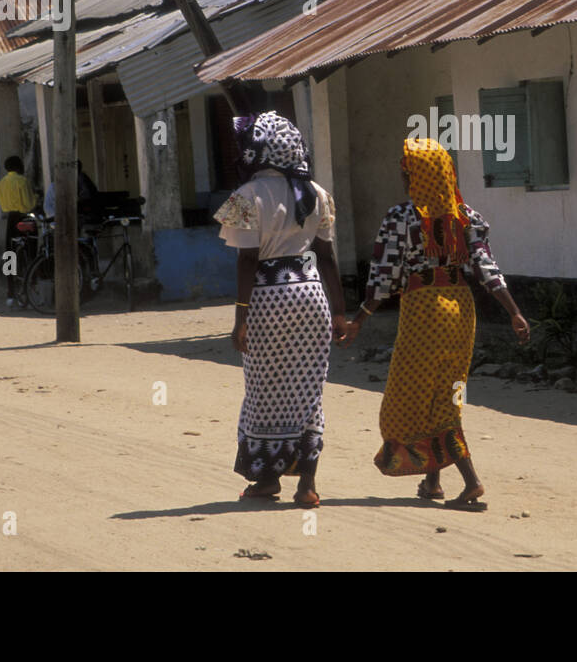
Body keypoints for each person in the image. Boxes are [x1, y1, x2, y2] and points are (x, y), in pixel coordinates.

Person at [344, 136, 529, 511]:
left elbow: (384, 276)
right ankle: (433, 482)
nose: (403, 175)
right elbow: (486, 268)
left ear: (419, 174)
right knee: (447, 390)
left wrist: (360, 317)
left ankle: (472, 480)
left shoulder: (402, 217)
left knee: (412, 396)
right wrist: (513, 311)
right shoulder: (467, 216)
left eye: (407, 169)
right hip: (461, 309)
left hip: (424, 310)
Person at [214, 111, 348, 508]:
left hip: (268, 299)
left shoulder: (247, 197)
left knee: (263, 389)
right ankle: (306, 485)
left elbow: (246, 262)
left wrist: (240, 319)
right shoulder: (318, 194)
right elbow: (327, 257)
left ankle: (266, 478)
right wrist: (339, 313)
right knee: (308, 391)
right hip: (311, 296)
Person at [0, 156, 36, 307]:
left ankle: (10, 291)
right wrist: (36, 198)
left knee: (10, 253)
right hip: (24, 218)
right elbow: (28, 204)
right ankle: (31, 283)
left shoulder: (1, 183)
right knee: (31, 250)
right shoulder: (22, 181)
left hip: (10, 219)